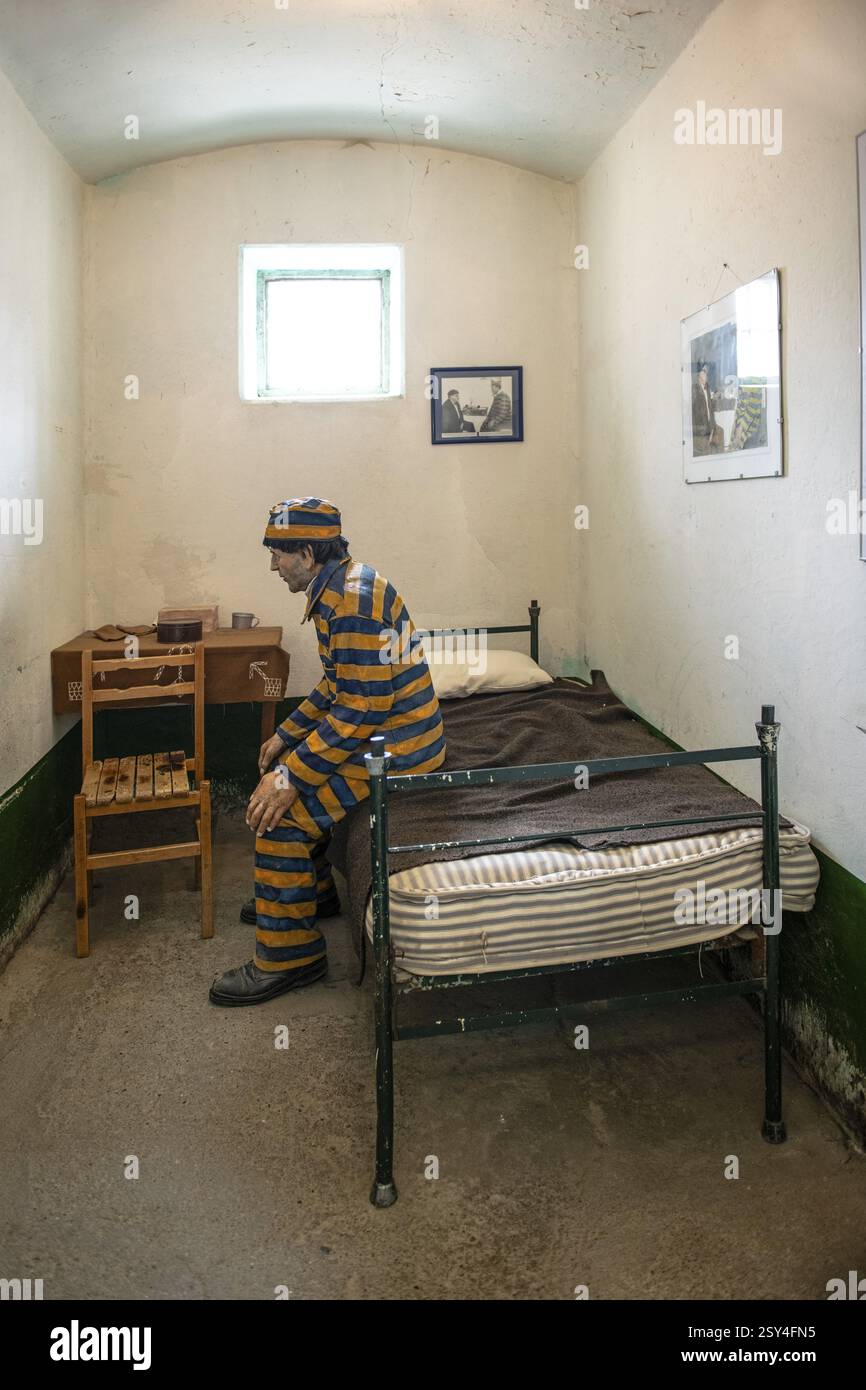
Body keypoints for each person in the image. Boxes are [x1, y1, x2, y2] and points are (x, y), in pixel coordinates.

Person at [209, 498, 446, 1006]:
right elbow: (338, 685)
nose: (273, 566)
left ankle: (290, 959)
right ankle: (309, 895)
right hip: (383, 730)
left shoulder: (352, 603)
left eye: (279, 554)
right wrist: (287, 735)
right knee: (284, 772)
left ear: (310, 552)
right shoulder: (336, 589)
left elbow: (361, 709)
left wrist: (291, 774)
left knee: (280, 814)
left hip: (401, 746)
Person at [691, 362, 722, 455]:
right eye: (704, 372)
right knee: (707, 445)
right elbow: (699, 413)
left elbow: (709, 408)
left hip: (709, 423)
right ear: (699, 375)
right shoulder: (694, 389)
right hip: (701, 426)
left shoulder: (707, 388)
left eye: (706, 373)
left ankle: (720, 458)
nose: (706, 375)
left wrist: (714, 398)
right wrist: (709, 429)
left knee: (721, 432)